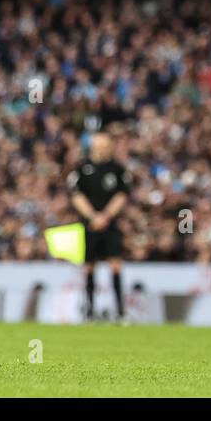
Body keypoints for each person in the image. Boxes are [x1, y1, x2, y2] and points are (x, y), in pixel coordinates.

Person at [68, 132, 132, 321]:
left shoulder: (118, 170)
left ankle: (120, 311)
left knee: (115, 264)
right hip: (89, 225)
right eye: (100, 145)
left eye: (106, 145)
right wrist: (93, 217)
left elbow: (122, 195)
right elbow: (77, 196)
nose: (104, 148)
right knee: (89, 266)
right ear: (93, 147)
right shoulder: (81, 169)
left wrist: (105, 216)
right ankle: (89, 310)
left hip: (111, 225)